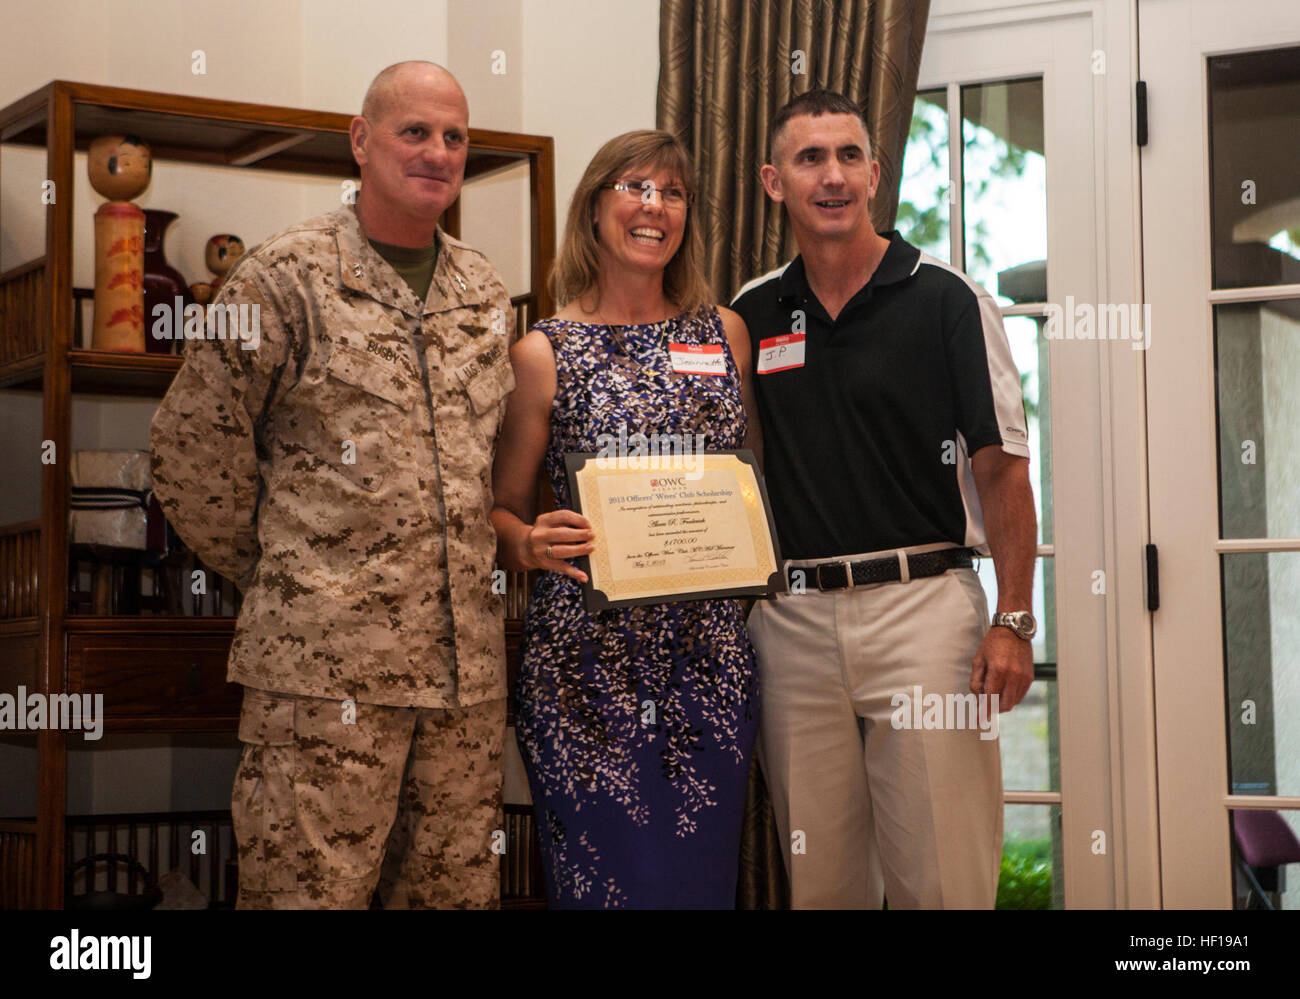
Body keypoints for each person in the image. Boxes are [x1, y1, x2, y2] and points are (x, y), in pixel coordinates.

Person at [149, 61, 515, 909]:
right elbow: (190, 450)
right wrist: (296, 575)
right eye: (414, 132)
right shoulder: (285, 277)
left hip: (464, 689)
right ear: (360, 141)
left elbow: (486, 465)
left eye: (454, 137)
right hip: (325, 686)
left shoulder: (485, 292)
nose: (437, 152)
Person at [731, 89, 1038, 909]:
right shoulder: (751, 314)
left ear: (875, 172)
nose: (832, 176)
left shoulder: (947, 299)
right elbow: (736, 472)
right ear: (773, 181)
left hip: (925, 613)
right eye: (809, 158)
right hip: (791, 624)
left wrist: (1013, 618)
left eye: (848, 156)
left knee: (943, 877)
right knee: (822, 885)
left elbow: (1004, 470)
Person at [491, 130, 760, 908]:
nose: (654, 207)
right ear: (594, 208)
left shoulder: (726, 334)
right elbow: (498, 515)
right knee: (609, 887)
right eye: (635, 187)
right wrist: (531, 540)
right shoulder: (544, 350)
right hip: (584, 671)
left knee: (700, 884)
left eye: (672, 192)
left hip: (708, 662)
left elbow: (750, 488)